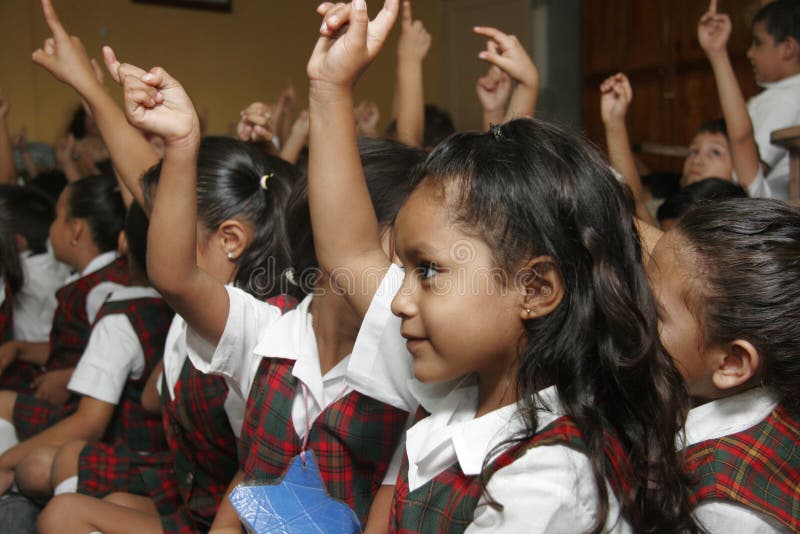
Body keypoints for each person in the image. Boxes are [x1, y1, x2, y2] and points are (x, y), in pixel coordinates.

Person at [307, 1, 696, 532]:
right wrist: (330, 89)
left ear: (534, 288)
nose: (399, 297)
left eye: (429, 271)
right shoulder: (461, 379)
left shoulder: (547, 484)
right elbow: (349, 254)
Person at [0, 201, 172, 499]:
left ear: (123, 241)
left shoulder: (117, 312)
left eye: (57, 216)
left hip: (125, 441)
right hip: (150, 437)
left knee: (35, 466)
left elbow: (89, 424)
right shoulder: (167, 306)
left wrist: (5, 461)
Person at [646, 198, 800, 532]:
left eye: (654, 313)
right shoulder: (772, 379)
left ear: (732, 363)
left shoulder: (722, 507)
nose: (633, 313)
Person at [746, 0, 800, 200]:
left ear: (788, 48)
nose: (750, 53)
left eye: (757, 43)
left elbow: (752, 166)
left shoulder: (786, 99)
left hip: (763, 211)